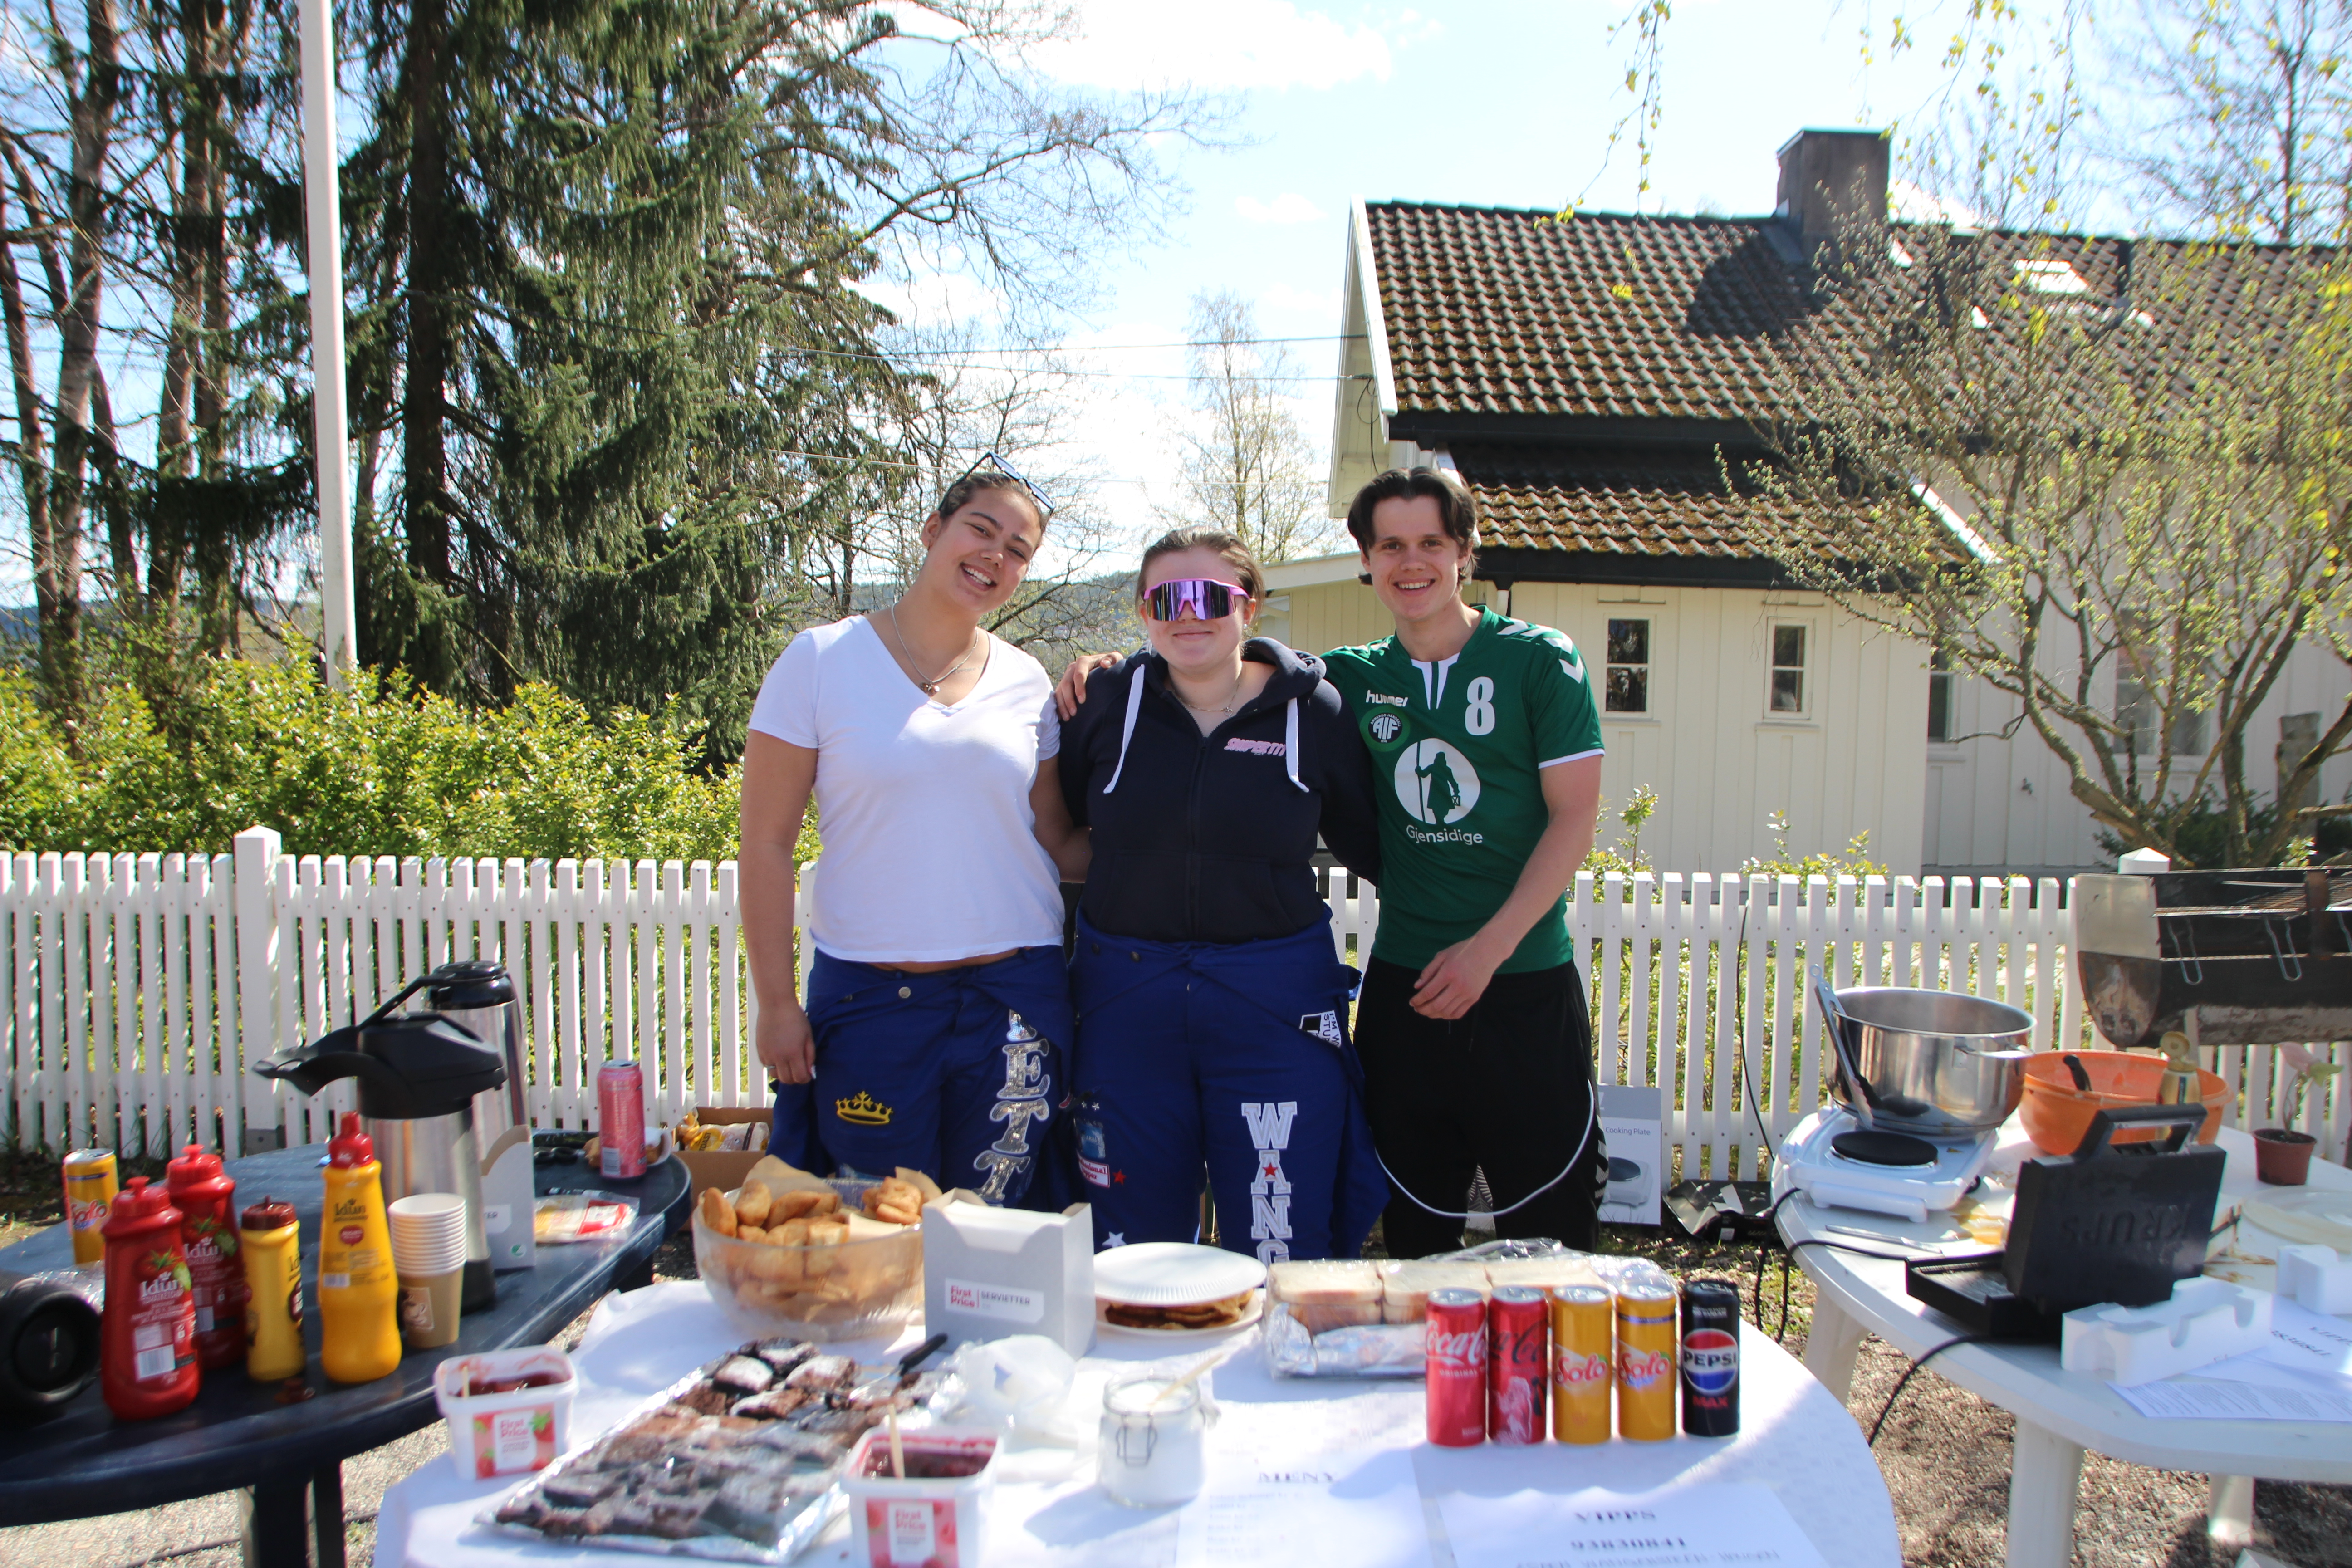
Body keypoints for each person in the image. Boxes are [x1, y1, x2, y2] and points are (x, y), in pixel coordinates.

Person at [1058, 468, 1608, 1255]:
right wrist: (1102, 666)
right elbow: (1227, 674)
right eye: (1391, 545)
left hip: (1519, 976)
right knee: (1417, 1226)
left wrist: (1488, 949)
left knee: (1552, 1228)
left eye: (1431, 543)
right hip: (1407, 981)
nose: (1410, 562)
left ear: (1465, 552)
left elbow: (1574, 817)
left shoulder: (1539, 660)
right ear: (1366, 560)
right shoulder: (1344, 681)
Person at [741, 457, 1088, 1205]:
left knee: (997, 1234)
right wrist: (776, 1003)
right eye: (980, 530)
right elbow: (766, 844)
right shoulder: (820, 660)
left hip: (1014, 1001)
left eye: (1018, 550)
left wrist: (1186, 850)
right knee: (875, 1227)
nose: (996, 556)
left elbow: (1058, 839)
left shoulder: (1027, 679)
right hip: (872, 1004)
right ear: (933, 530)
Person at [1058, 527, 1387, 1262]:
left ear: (1251, 606)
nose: (1187, 613)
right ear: (1142, 612)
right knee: (1130, 1244)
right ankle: (1147, 1345)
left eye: (1210, 595)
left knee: (1280, 1239)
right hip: (1127, 1003)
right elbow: (1059, 833)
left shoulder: (1315, 711)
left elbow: (1378, 850)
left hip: (1272, 1006)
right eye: (1164, 598)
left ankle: (1272, 1340)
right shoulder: (1106, 701)